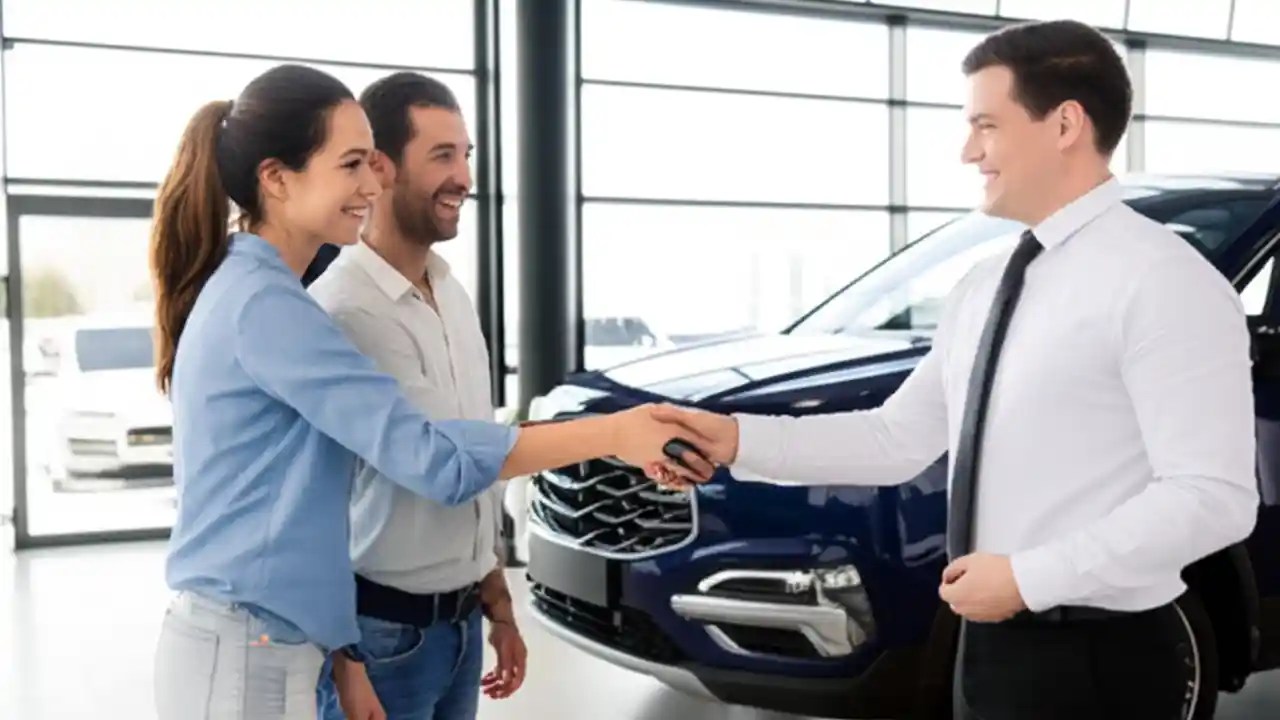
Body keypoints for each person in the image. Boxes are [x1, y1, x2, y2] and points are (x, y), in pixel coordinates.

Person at [646, 19, 1258, 720]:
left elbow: (1213, 495)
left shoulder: (1164, 281)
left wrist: (1030, 578)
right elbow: (895, 438)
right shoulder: (987, 282)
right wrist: (734, 439)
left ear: (1064, 124)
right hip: (987, 643)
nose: (969, 151)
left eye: (986, 125)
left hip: (1102, 657)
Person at [148, 63, 713, 720]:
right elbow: (436, 459)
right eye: (353, 164)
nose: (374, 182)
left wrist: (346, 655)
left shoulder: (263, 294)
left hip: (271, 643)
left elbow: (307, 513)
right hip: (247, 653)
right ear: (276, 178)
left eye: (377, 162)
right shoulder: (274, 310)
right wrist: (617, 433)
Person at [308, 72, 521, 720]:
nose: (465, 176)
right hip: (382, 640)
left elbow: (476, 449)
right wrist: (613, 437)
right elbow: (451, 460)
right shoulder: (347, 311)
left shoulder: (451, 291)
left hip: (460, 627)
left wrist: (497, 599)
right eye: (442, 155)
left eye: (466, 155)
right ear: (381, 167)